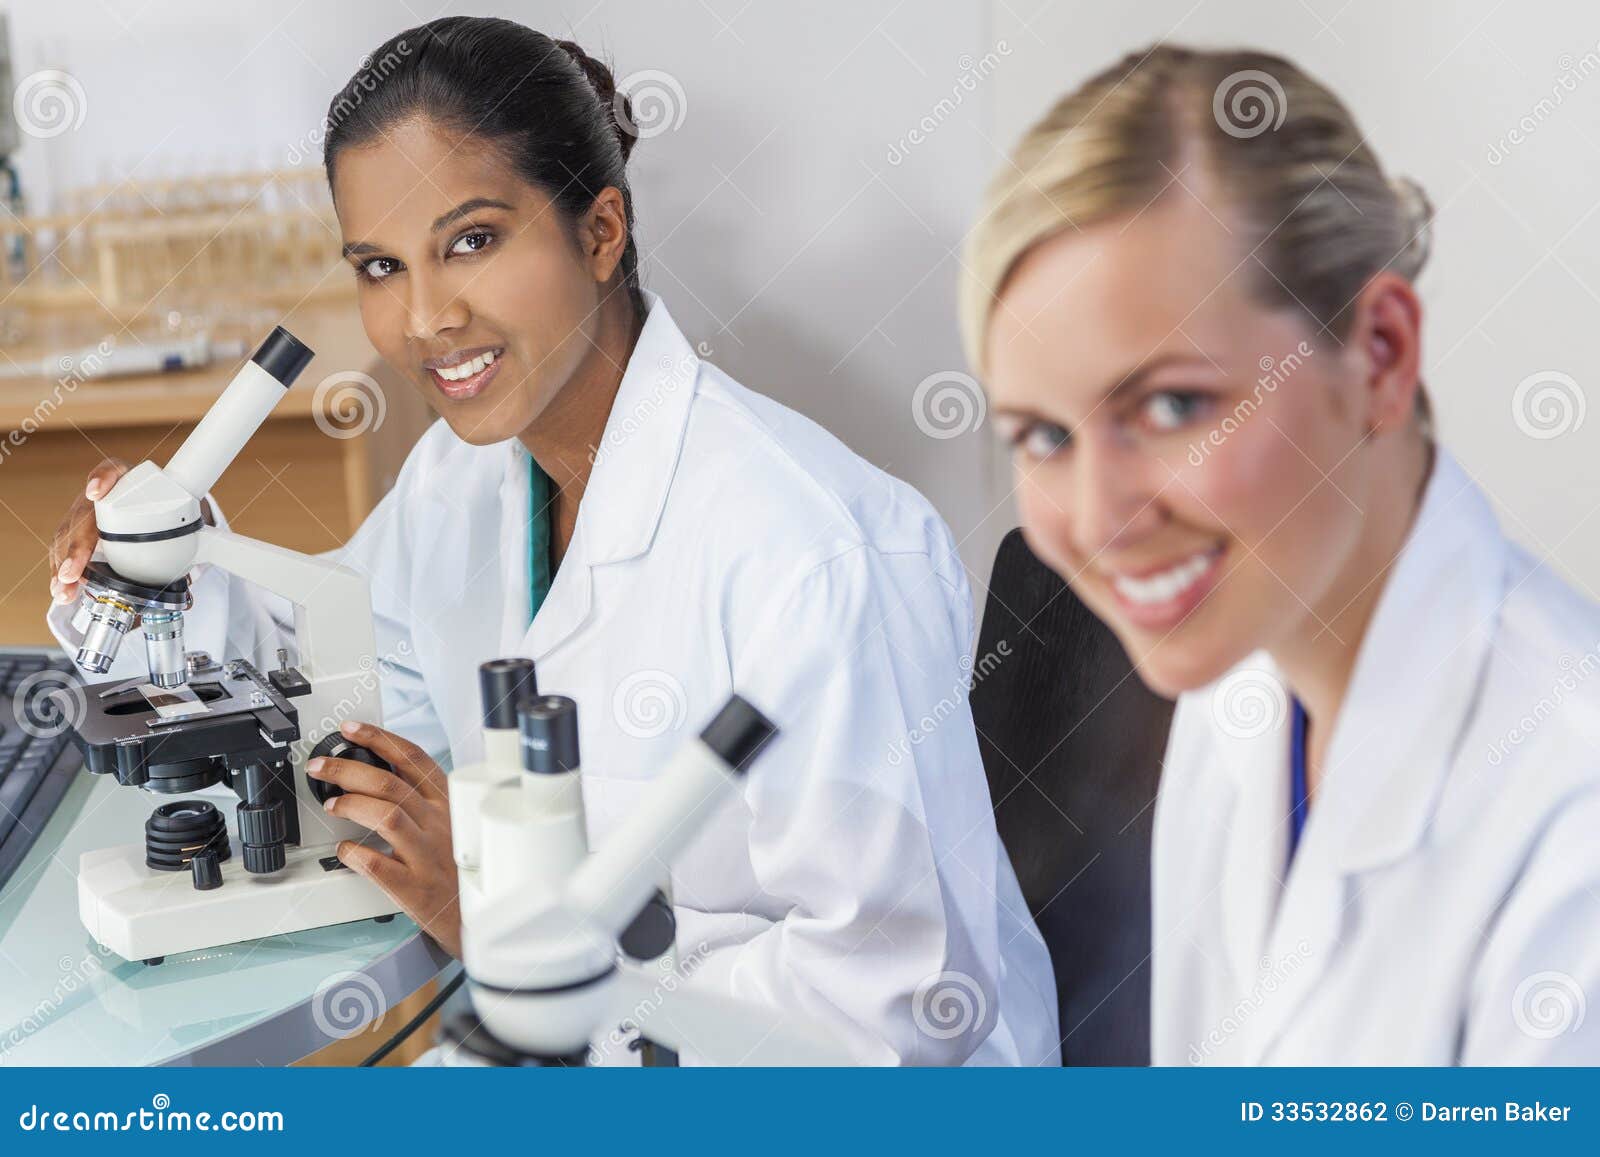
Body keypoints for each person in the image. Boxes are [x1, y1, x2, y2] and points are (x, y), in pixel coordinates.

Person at [46, 16, 1058, 1066]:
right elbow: (347, 676)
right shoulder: (464, 475)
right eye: (381, 265)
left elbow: (888, 1012)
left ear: (599, 231)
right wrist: (161, 571)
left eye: (471, 241)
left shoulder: (813, 552)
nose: (426, 315)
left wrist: (494, 918)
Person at [960, 44, 1600, 1064]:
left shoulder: (1570, 809)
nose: (1097, 517)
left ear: (1380, 353)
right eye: (1043, 435)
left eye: (1172, 404)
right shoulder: (1240, 689)